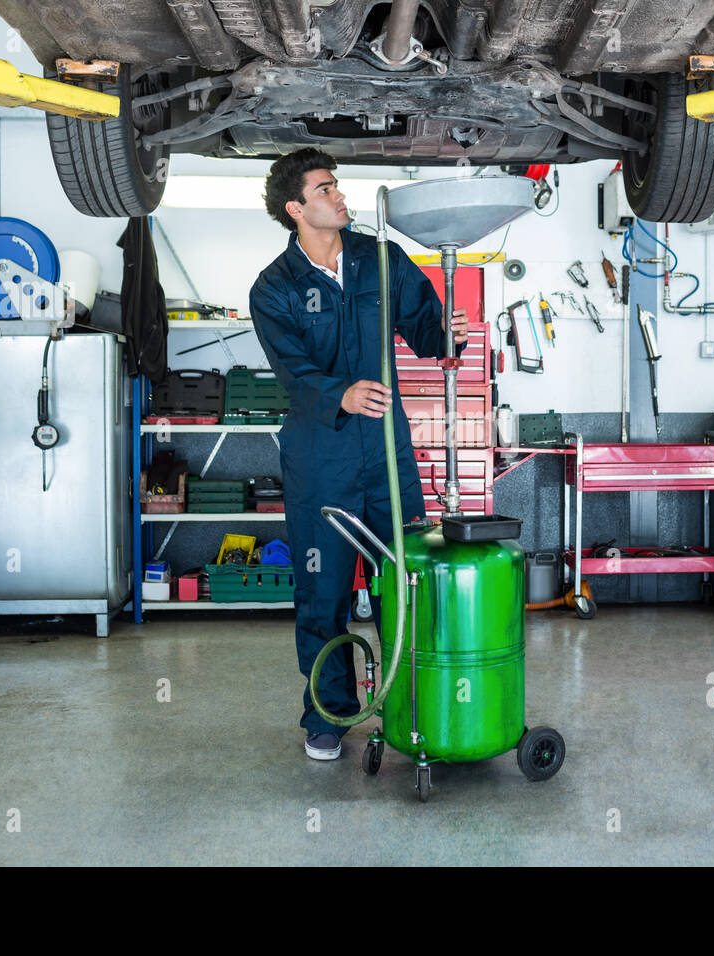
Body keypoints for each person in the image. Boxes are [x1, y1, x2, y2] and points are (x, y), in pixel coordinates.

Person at [250, 148, 469, 761]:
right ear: (297, 208)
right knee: (325, 592)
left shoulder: (380, 258)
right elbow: (292, 374)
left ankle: (415, 701)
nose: (340, 197)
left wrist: (445, 336)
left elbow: (425, 325)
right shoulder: (274, 288)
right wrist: (339, 393)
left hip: (387, 452)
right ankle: (329, 714)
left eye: (338, 187)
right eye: (326, 190)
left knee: (409, 577)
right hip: (322, 455)